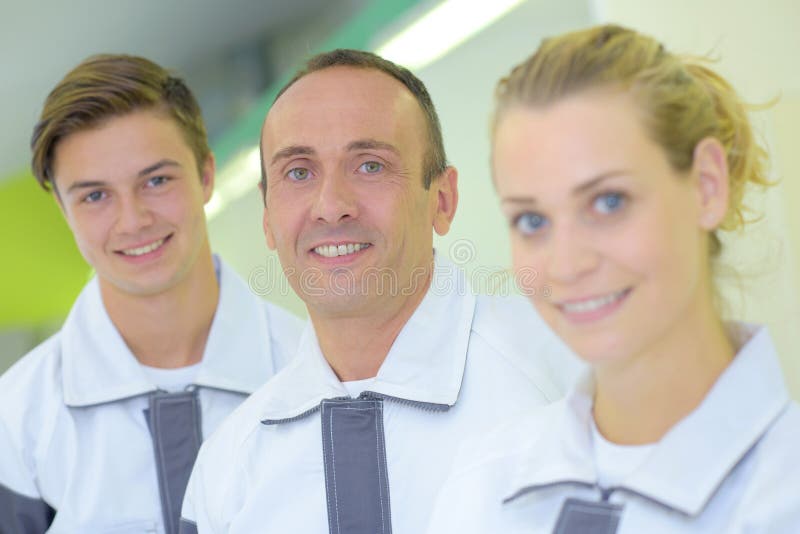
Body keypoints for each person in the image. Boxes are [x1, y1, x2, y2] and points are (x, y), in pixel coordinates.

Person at [179, 49, 578, 534]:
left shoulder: (569, 377)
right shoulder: (226, 466)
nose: (331, 207)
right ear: (267, 218)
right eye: (299, 172)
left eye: (370, 165)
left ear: (443, 201)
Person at [426, 24, 800, 533]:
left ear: (707, 187)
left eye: (608, 202)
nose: (566, 265)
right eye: (531, 221)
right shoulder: (481, 488)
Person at [0, 54, 303, 534]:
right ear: (62, 207)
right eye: (95, 196)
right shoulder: (16, 423)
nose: (133, 220)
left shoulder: (318, 376)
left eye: (157, 180)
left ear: (206, 174)